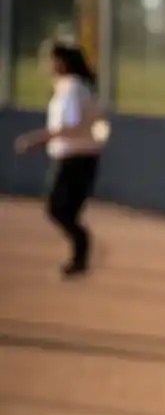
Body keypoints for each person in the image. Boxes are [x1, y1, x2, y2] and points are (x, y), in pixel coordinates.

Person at [13, 42, 103, 278]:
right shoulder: (71, 87)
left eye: (50, 60)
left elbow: (69, 124)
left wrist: (37, 139)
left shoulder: (72, 88)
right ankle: (79, 256)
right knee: (63, 209)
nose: (47, 65)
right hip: (75, 156)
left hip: (75, 157)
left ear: (61, 62)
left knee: (58, 208)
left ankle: (81, 250)